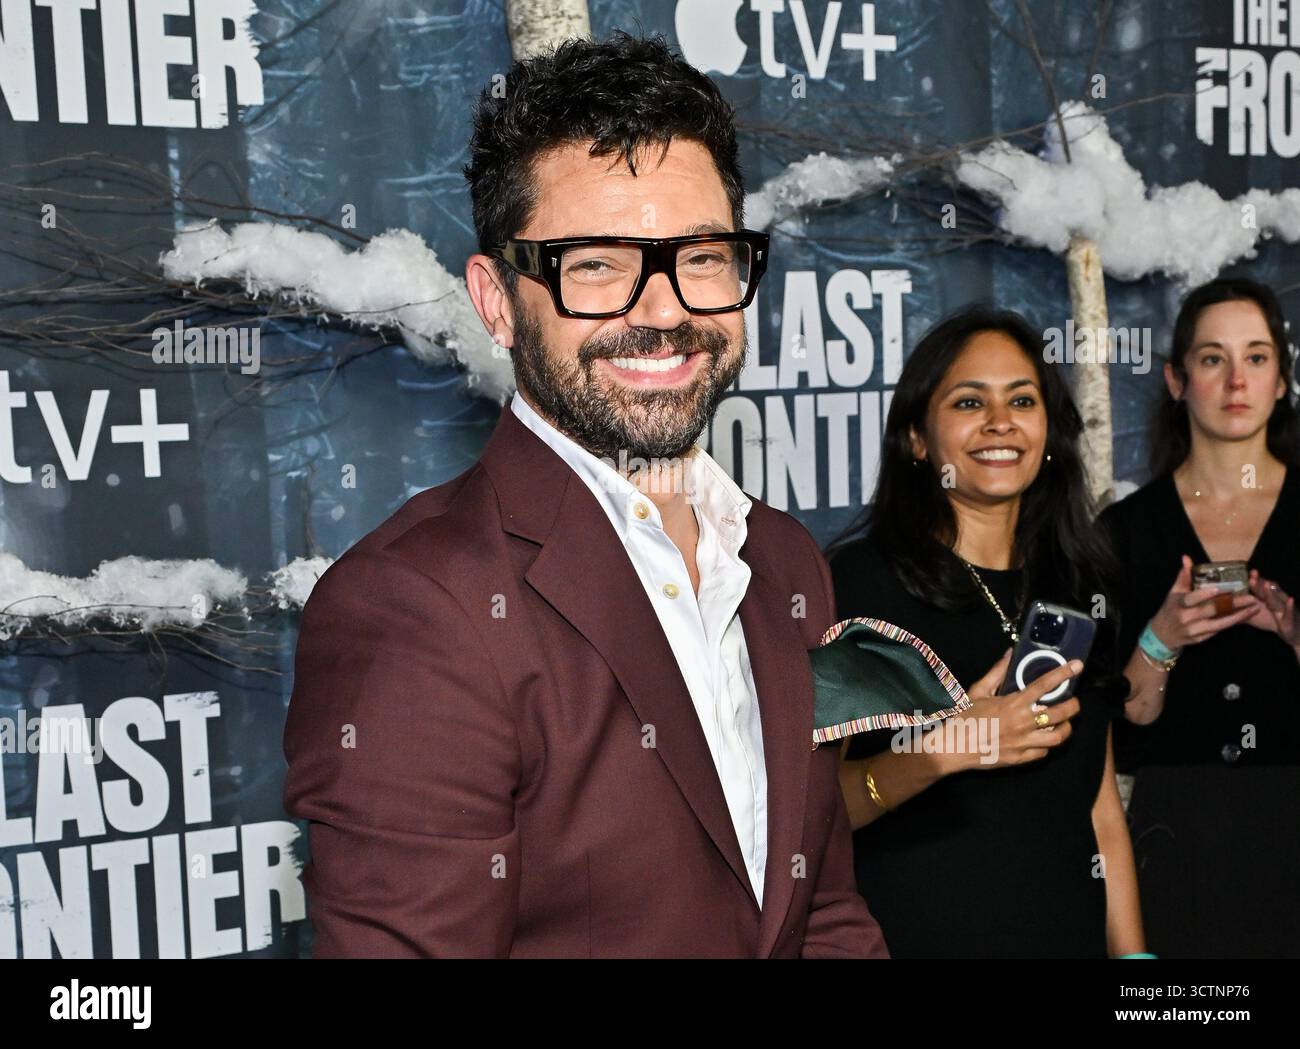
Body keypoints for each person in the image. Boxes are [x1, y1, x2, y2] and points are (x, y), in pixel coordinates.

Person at [282, 31, 888, 958]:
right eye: (596, 264)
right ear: (497, 301)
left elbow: (822, 913)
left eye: (702, 256)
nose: (664, 309)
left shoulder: (784, 561)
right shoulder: (415, 609)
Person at [827, 306, 1146, 958]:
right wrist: (951, 746)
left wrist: (1136, 961)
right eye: (969, 401)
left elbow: (1101, 809)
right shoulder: (858, 583)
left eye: (1022, 400)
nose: (1001, 421)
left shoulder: (1081, 583)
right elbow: (820, 811)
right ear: (917, 439)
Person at [1099, 276, 1300, 958]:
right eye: (1213, 358)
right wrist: (1161, 639)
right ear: (1176, 380)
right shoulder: (1124, 532)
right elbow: (1120, 728)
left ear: (1282, 379)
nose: (1236, 380)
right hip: (1179, 845)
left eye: (1256, 357)